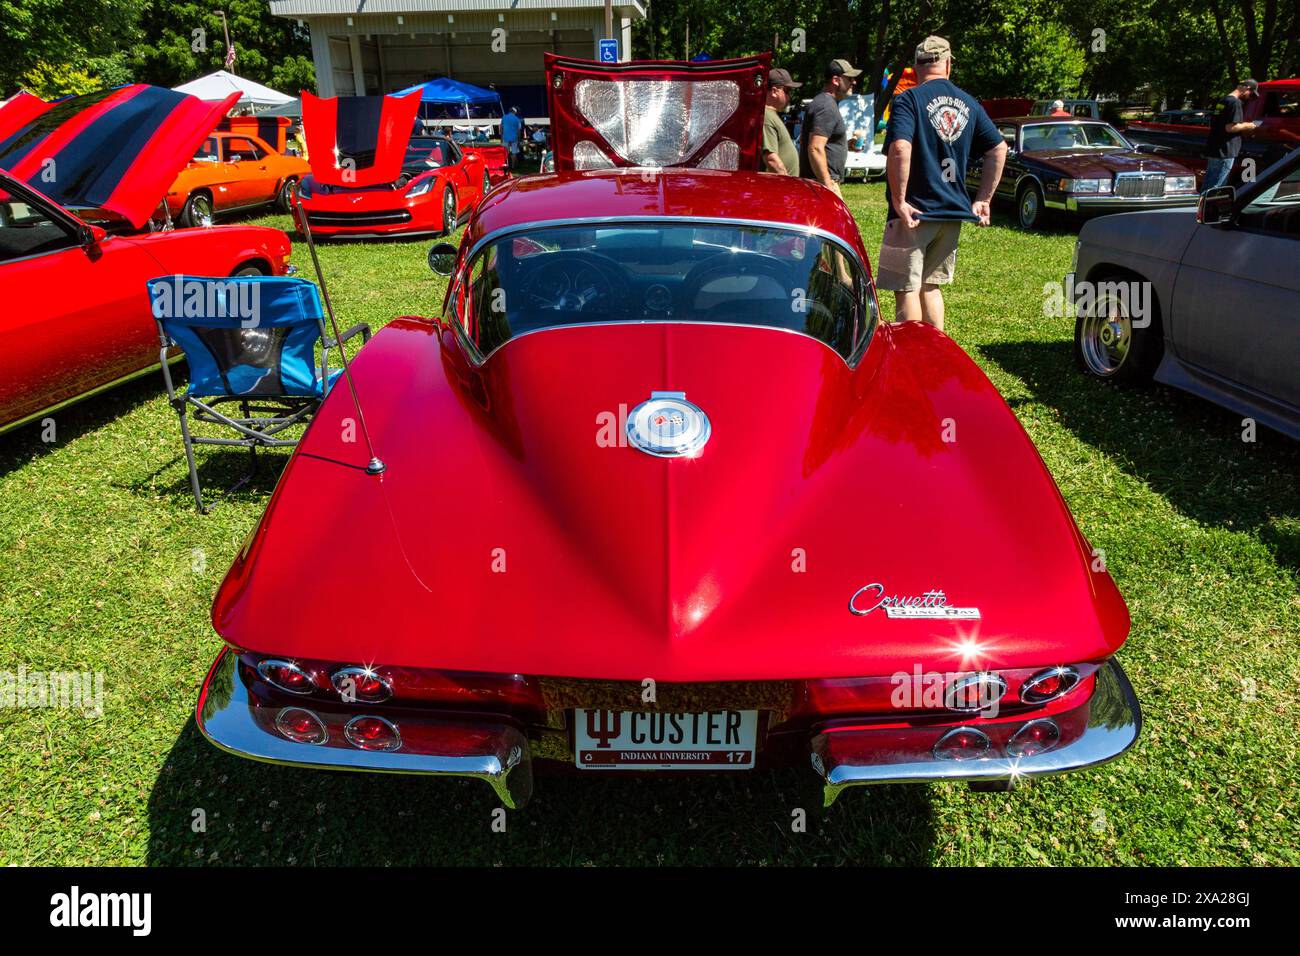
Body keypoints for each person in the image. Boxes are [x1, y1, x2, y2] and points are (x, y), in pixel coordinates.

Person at [875, 35, 1006, 333]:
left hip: (914, 213)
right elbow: (998, 148)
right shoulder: (968, 102)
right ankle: (936, 357)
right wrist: (983, 199)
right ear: (947, 64)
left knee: (906, 287)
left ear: (916, 66)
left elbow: (899, 148)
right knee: (930, 287)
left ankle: (912, 360)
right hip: (951, 213)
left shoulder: (908, 99)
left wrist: (899, 201)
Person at [798, 59, 861, 195]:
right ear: (836, 80)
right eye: (849, 79)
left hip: (819, 181)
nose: (853, 82)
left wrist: (845, 145)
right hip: (822, 182)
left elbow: (822, 143)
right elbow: (815, 148)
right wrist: (828, 187)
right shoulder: (826, 106)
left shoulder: (824, 102)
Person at [1203, 79, 1261, 192]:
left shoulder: (1223, 100)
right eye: (1251, 94)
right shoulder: (1235, 102)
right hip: (1226, 150)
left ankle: (1199, 206)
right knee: (1216, 186)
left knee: (1209, 183)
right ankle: (1205, 208)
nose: (1249, 97)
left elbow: (1218, 123)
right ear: (1247, 88)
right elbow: (1230, 127)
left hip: (1215, 147)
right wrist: (1249, 125)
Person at [762, 68, 802, 175]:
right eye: (787, 91)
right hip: (782, 188)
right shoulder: (766, 116)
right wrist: (788, 184)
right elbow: (771, 159)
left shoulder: (772, 115)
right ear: (774, 91)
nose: (790, 97)